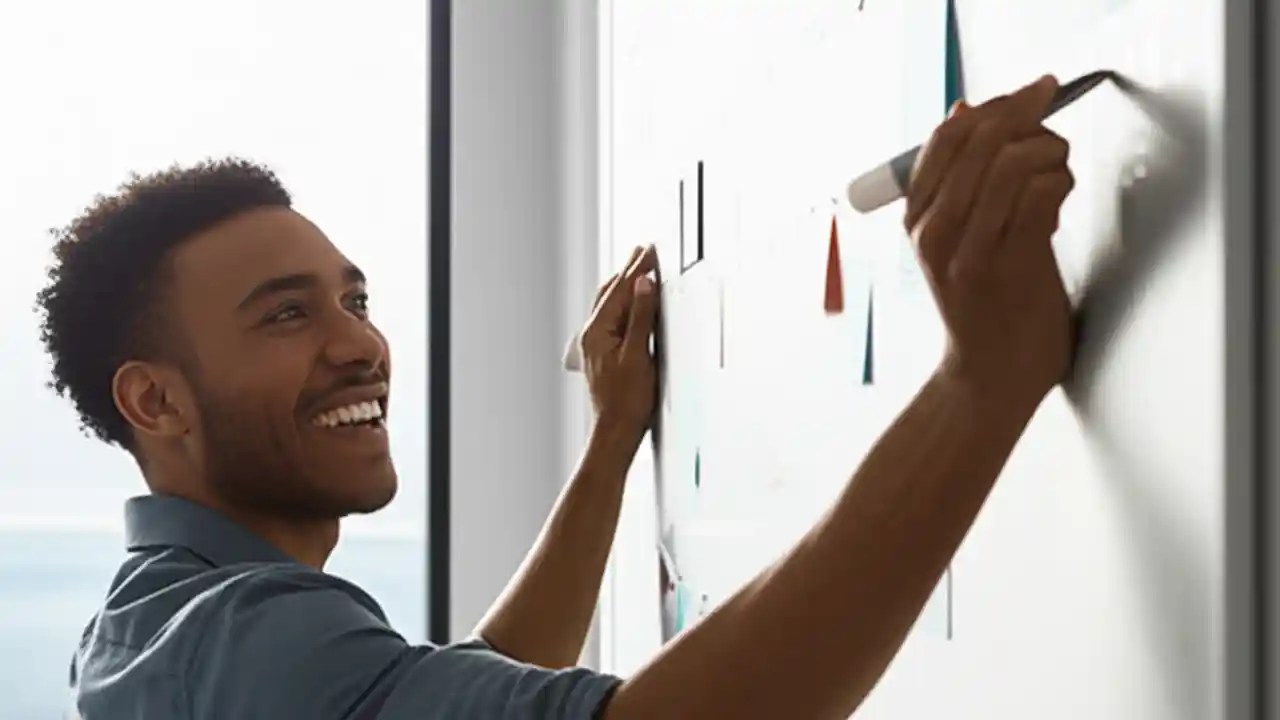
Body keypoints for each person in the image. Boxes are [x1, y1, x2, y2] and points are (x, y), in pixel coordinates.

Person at [50, 74, 1072, 719]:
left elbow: (471, 679)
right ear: (154, 401)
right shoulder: (246, 641)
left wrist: (612, 440)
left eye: (354, 300)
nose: (359, 344)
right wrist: (979, 384)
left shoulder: (158, 629)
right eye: (284, 316)